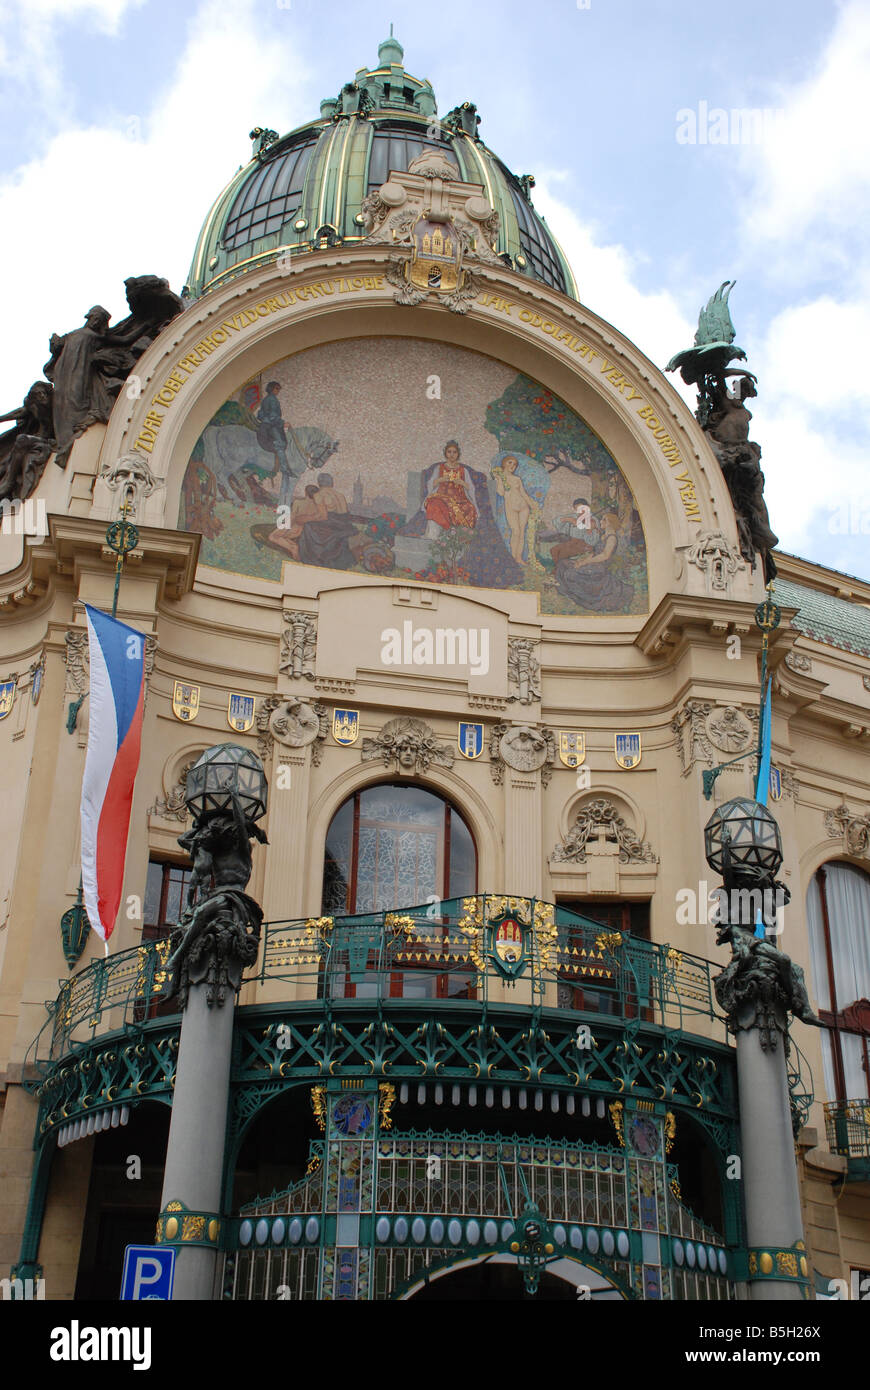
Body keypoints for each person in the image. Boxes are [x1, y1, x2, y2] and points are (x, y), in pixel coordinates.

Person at [554, 512, 631, 611]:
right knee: (563, 563)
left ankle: (581, 598)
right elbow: (594, 553)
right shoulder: (603, 536)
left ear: (610, 523)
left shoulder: (612, 538)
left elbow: (605, 555)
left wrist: (585, 562)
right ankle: (568, 591)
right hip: (592, 561)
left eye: (604, 520)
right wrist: (581, 560)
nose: (600, 521)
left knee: (570, 574)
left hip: (599, 566)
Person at [491, 455, 538, 562]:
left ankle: (519, 558)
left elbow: (524, 494)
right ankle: (512, 557)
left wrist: (532, 505)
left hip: (523, 507)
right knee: (515, 531)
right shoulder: (500, 477)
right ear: (504, 464)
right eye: (510, 463)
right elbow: (501, 493)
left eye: (515, 464)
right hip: (511, 507)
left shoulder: (517, 479)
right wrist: (498, 480)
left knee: (522, 532)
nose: (512, 466)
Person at [423, 440, 477, 535]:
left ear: (458, 454)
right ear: (445, 453)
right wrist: (441, 479)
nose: (452, 454)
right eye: (449, 452)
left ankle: (458, 536)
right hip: (441, 496)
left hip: (460, 499)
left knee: (469, 508)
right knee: (434, 504)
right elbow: (431, 483)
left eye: (454, 452)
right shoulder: (439, 468)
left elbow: (471, 487)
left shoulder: (463, 470)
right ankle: (436, 535)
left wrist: (462, 482)